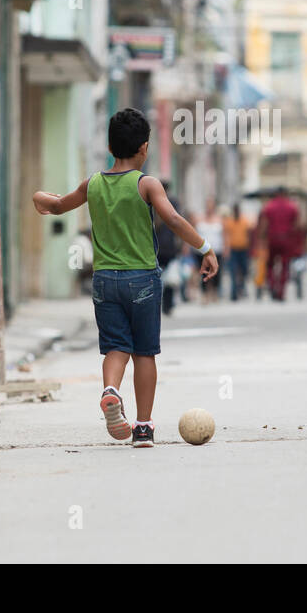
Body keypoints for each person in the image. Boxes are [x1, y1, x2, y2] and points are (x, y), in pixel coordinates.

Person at [33, 108, 218, 448]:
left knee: (116, 347)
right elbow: (174, 220)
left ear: (110, 146)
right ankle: (144, 427)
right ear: (144, 148)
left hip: (104, 282)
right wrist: (204, 247)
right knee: (144, 353)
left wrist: (39, 198)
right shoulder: (146, 183)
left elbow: (56, 206)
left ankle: (110, 390)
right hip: (142, 280)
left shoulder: (93, 184)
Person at [258, 187, 300, 301]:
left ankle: (272, 286)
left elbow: (264, 224)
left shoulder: (269, 206)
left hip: (273, 239)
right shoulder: (291, 206)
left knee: (270, 265)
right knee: (285, 266)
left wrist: (261, 239)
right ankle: (281, 292)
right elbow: (296, 225)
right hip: (286, 239)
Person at [153, 181, 183, 316]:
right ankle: (168, 305)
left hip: (157, 246)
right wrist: (181, 243)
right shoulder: (173, 202)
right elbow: (178, 222)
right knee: (169, 278)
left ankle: (159, 304)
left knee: (157, 277)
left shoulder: (152, 201)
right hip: (169, 246)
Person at [222, 203, 254, 301]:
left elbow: (249, 233)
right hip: (233, 249)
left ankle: (241, 287)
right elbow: (226, 236)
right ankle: (234, 292)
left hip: (243, 249)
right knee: (233, 271)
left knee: (244, 270)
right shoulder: (229, 221)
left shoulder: (244, 221)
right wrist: (226, 249)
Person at [196, 204, 226, 305]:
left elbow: (225, 234)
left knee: (217, 271)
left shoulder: (219, 219)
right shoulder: (199, 218)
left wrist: (226, 248)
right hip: (203, 251)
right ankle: (204, 294)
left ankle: (215, 292)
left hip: (217, 250)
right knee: (204, 272)